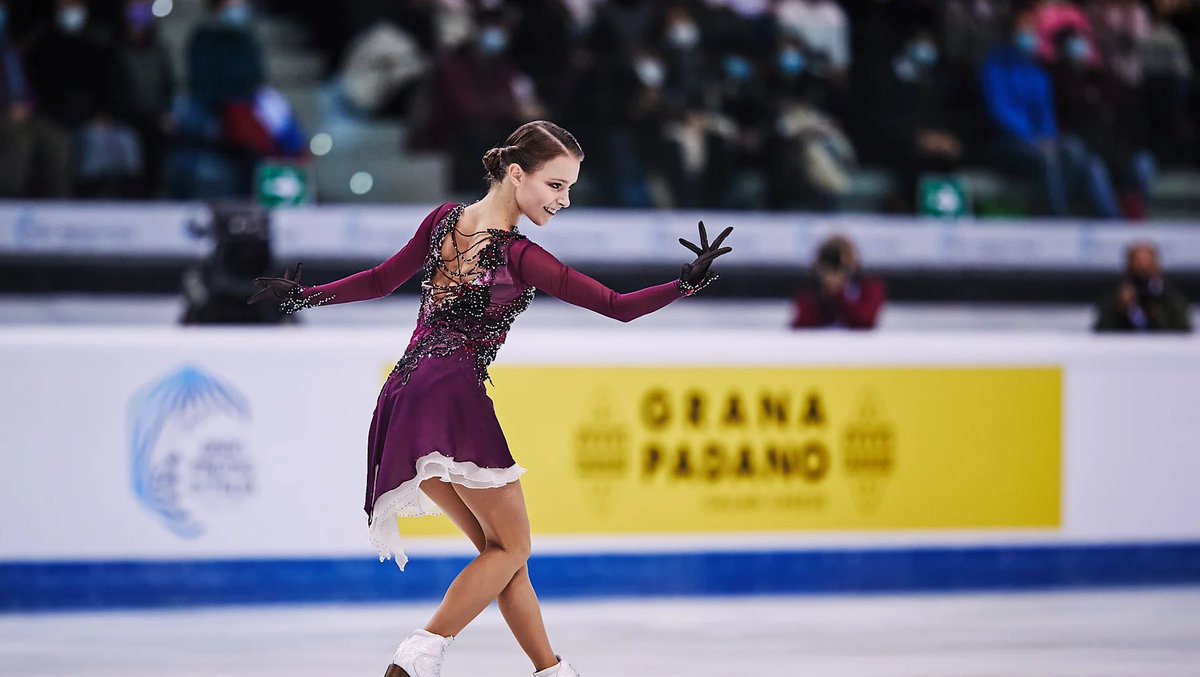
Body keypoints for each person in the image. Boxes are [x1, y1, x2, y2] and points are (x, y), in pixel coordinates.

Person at [247, 120, 733, 677]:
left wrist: (307, 297)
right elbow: (617, 306)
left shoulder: (441, 221)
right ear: (516, 173)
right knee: (513, 547)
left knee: (502, 556)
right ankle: (423, 649)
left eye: (570, 188)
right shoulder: (520, 256)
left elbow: (382, 281)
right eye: (555, 185)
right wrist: (685, 284)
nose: (565, 200)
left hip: (403, 396)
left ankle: (551, 671)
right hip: (452, 397)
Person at [790, 235, 885, 330]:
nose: (836, 270)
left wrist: (839, 293)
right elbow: (801, 327)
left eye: (842, 264)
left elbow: (865, 322)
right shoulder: (809, 291)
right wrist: (824, 294)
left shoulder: (869, 287)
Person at [1094, 241, 1191, 333]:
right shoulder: (1116, 293)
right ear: (1129, 265)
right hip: (1125, 345)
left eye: (1147, 263)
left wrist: (1158, 312)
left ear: (1156, 264)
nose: (1142, 267)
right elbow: (1100, 329)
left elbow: (1184, 328)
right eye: (1137, 264)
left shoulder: (1168, 293)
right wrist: (1120, 309)